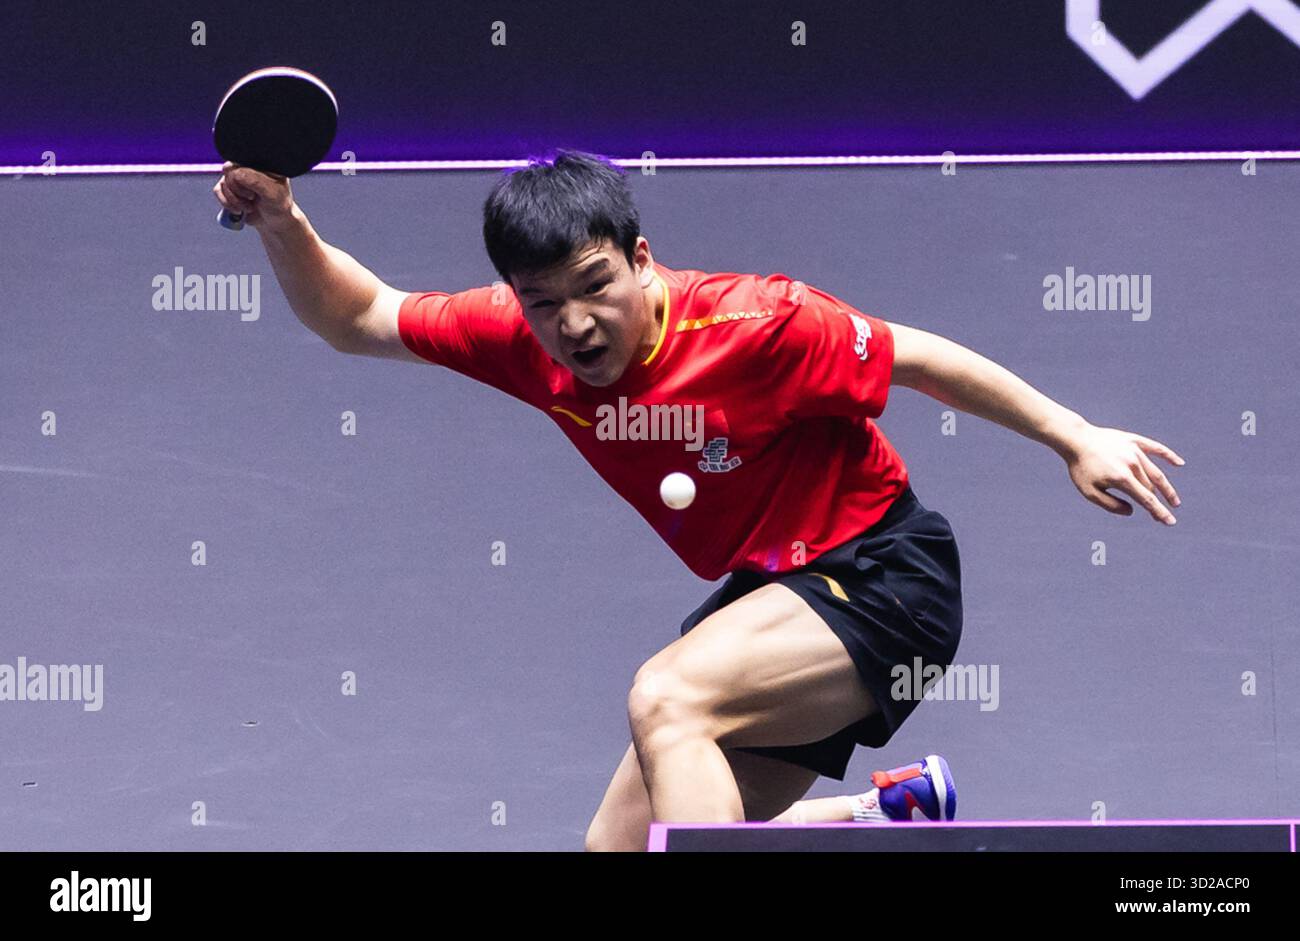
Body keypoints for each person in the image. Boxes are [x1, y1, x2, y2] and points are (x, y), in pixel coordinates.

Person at [213, 149, 1184, 852]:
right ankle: (875, 808)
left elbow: (920, 357)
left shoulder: (759, 323)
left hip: (886, 581)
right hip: (775, 594)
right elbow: (357, 316)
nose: (576, 322)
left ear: (641, 257)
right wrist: (280, 221)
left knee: (667, 696)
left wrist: (1073, 432)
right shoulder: (517, 338)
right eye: (545, 302)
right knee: (619, 847)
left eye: (595, 284)